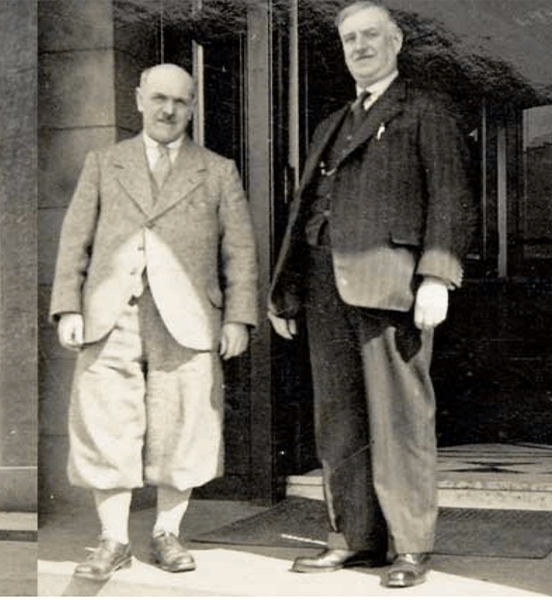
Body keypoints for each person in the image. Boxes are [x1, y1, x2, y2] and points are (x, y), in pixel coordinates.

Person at [267, 1, 474, 589]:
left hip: (391, 285)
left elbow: (452, 197)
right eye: (349, 39)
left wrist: (437, 276)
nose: (359, 47)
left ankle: (409, 546)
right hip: (324, 287)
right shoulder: (329, 124)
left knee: (400, 420)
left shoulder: (425, 111)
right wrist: (285, 293)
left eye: (370, 36)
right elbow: (303, 214)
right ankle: (354, 539)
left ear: (397, 41)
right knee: (339, 419)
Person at [51, 63, 257, 581]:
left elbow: (240, 252)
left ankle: (167, 532)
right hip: (110, 312)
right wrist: (69, 306)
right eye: (159, 98)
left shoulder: (217, 170)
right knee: (104, 420)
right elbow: (75, 237)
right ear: (139, 99)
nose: (169, 110)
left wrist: (238, 318)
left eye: (181, 101)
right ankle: (113, 539)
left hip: (188, 317)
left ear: (192, 107)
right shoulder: (104, 162)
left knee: (183, 422)